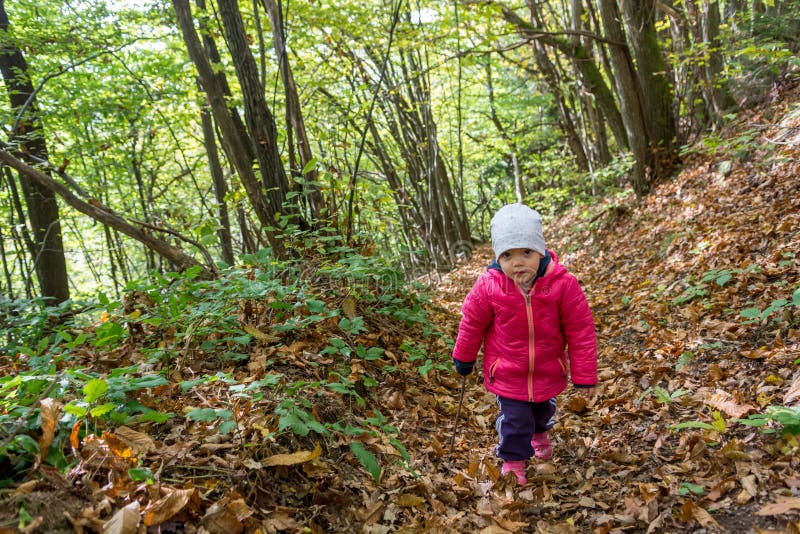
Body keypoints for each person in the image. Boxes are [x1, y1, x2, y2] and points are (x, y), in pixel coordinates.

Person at [451, 203, 597, 485]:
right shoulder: (489, 286)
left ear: (540, 250)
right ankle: (513, 460)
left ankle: (540, 432)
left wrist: (585, 377)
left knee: (542, 411)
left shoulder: (563, 285)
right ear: (498, 257)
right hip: (507, 371)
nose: (518, 262)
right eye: (508, 255)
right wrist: (464, 357)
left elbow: (581, 331)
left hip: (547, 370)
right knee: (515, 420)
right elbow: (471, 322)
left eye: (526, 252)